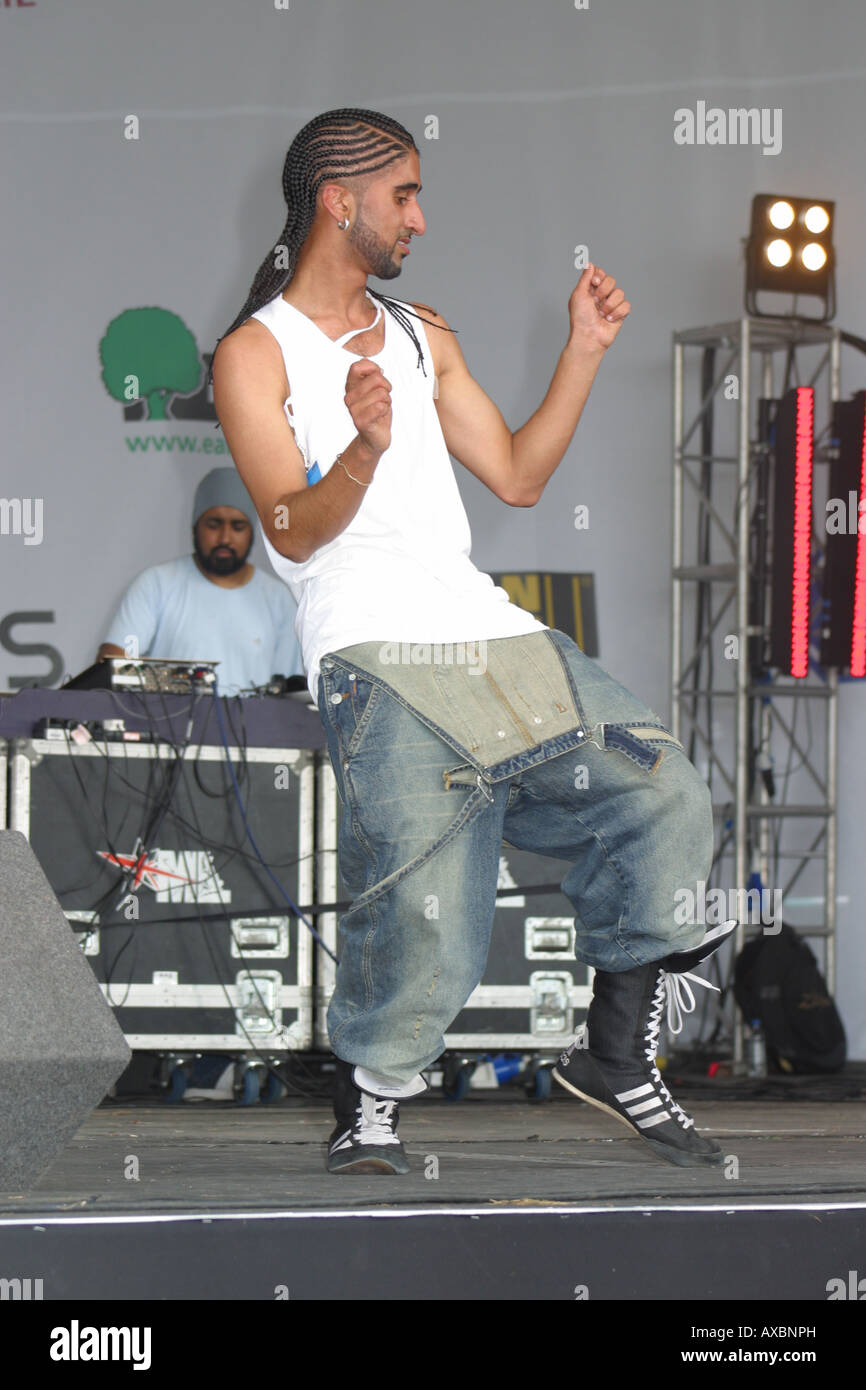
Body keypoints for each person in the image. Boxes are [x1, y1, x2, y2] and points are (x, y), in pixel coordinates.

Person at [211, 108, 735, 1175]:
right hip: (371, 645)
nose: (418, 215)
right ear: (336, 200)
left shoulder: (419, 334)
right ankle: (371, 1107)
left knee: (660, 788)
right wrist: (359, 448)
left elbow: (518, 476)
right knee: (423, 894)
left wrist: (581, 351)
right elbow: (288, 528)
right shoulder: (251, 353)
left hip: (484, 629)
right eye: (402, 193)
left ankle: (614, 1052)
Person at [98, 467, 301, 693]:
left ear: (252, 532)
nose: (225, 538)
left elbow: (291, 688)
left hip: (254, 727)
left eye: (237, 527)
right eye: (214, 525)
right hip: (169, 726)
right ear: (195, 527)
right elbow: (114, 665)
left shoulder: (278, 598)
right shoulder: (156, 585)